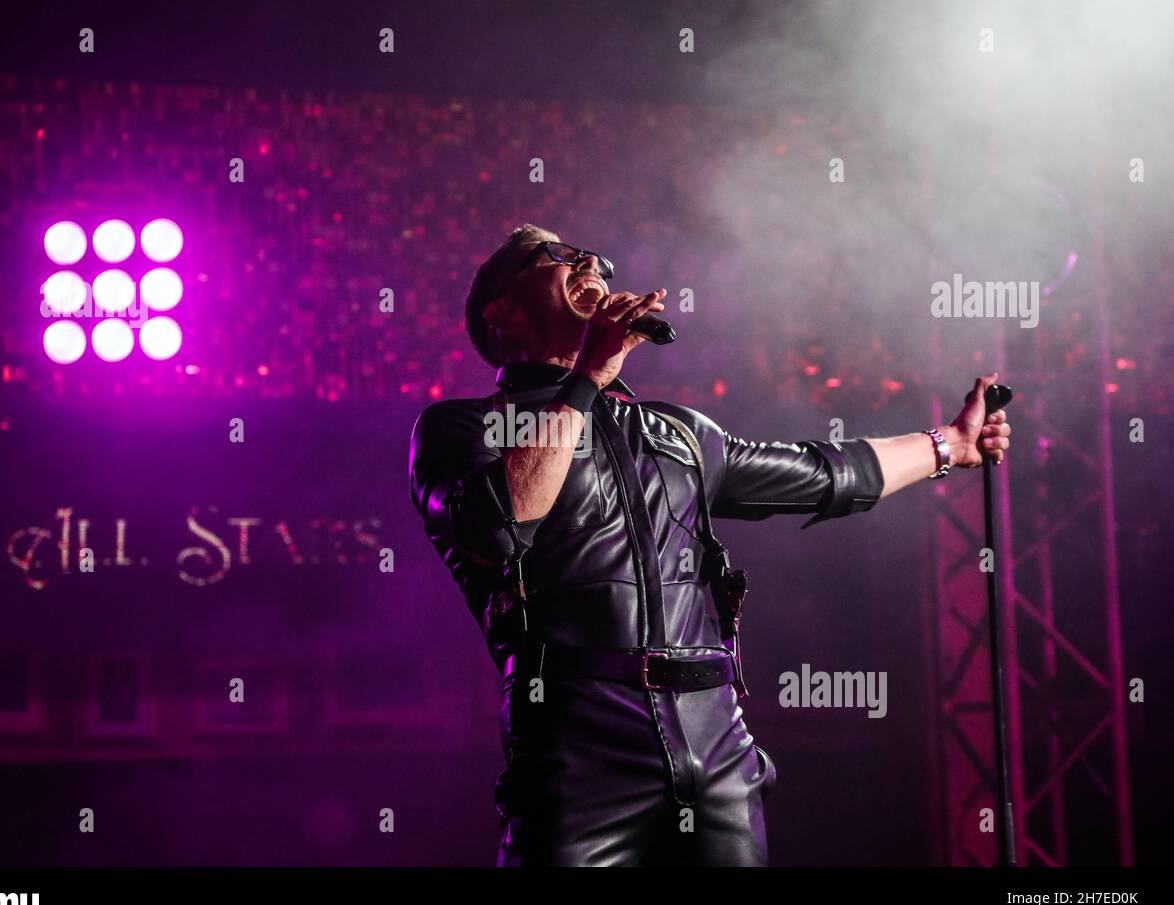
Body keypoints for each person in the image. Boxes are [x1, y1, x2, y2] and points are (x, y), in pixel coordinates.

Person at [408, 224, 1011, 866]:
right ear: (501, 312)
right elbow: (501, 524)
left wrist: (951, 445)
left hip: (715, 740)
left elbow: (821, 473)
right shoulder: (462, 428)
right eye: (556, 257)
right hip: (578, 750)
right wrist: (586, 375)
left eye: (597, 258)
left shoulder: (680, 433)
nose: (591, 261)